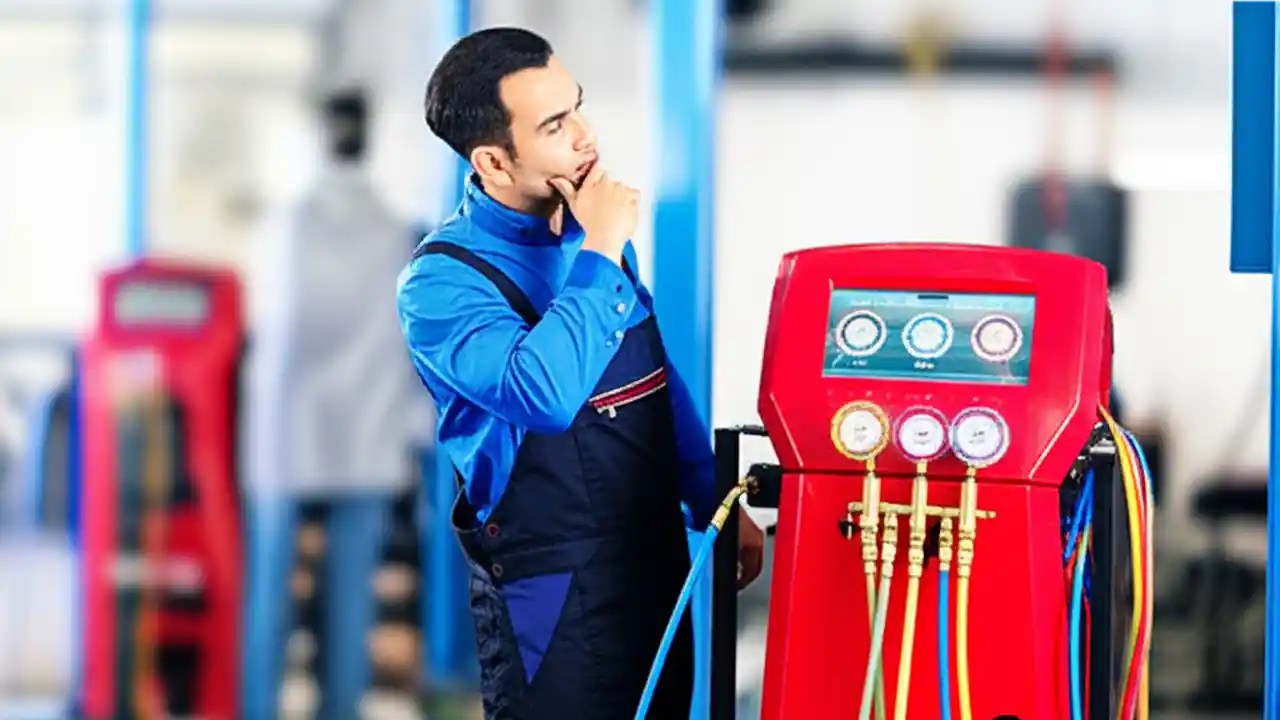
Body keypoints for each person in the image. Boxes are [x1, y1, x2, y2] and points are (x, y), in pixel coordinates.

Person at [396, 27, 765, 719]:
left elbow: (650, 378)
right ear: (494, 162)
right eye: (555, 125)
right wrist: (599, 245)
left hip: (648, 559)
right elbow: (543, 393)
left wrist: (712, 496)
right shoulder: (442, 283)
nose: (586, 137)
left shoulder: (587, 237)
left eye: (579, 108)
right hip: (552, 592)